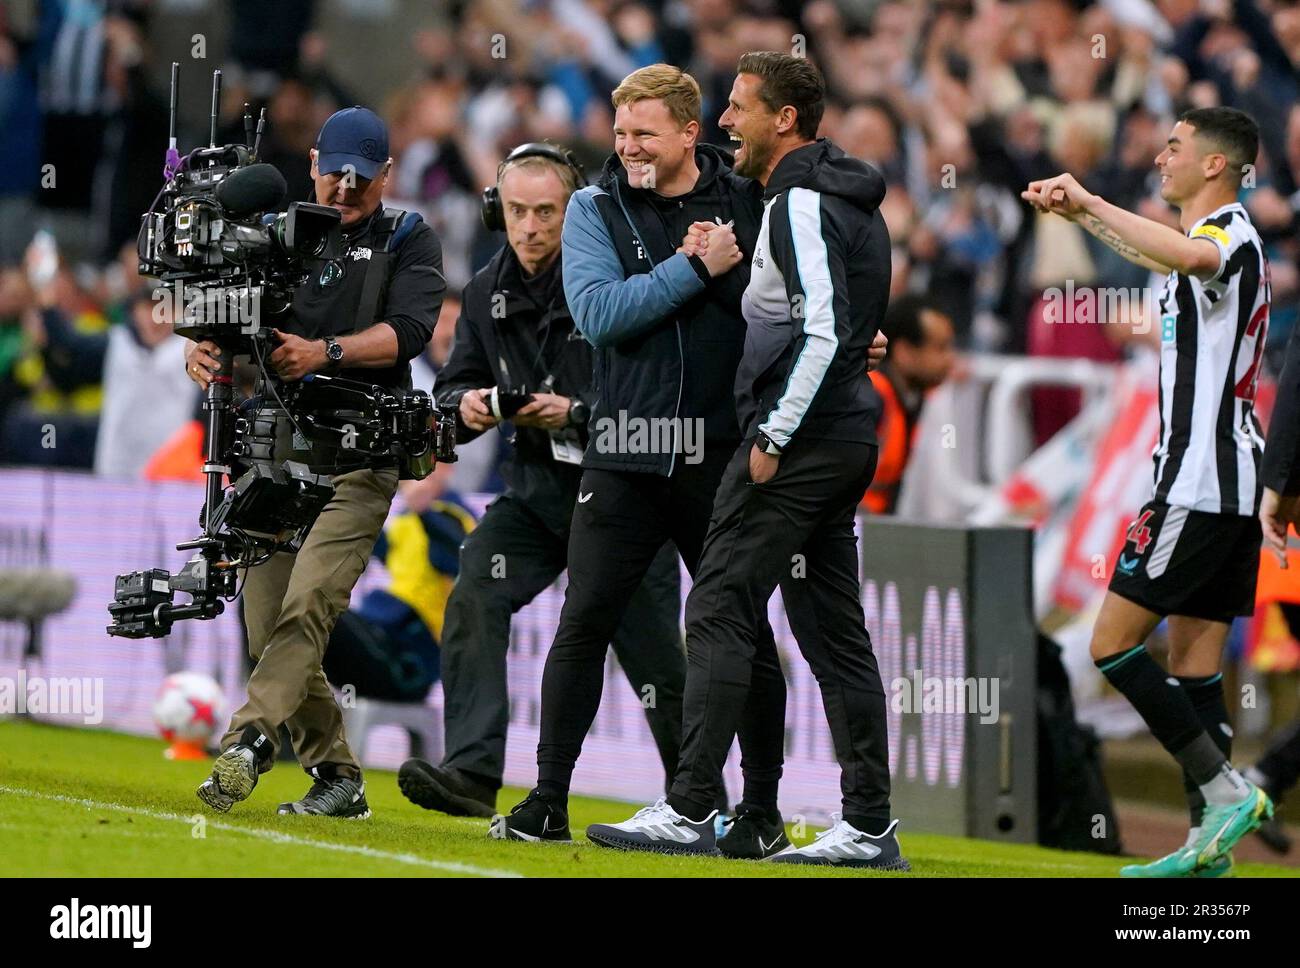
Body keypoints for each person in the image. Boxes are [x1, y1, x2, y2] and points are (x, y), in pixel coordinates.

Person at [585, 52, 908, 869]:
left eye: (739, 108)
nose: (728, 123)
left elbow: (827, 330)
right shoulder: (847, 195)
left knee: (720, 604)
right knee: (834, 633)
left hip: (798, 441)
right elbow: (845, 316)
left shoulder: (798, 197)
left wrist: (770, 436)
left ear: (784, 119)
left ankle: (693, 807)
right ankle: (868, 824)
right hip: (843, 436)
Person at [489, 63, 792, 847]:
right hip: (623, 447)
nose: (628, 148)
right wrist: (694, 266)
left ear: (692, 133)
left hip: (718, 450)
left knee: (742, 632)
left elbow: (781, 310)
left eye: (644, 134)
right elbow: (598, 316)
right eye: (620, 133)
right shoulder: (593, 207)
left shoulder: (749, 201)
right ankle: (547, 799)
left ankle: (758, 814)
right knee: (584, 622)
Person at [396, 143, 689, 818]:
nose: (530, 227)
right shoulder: (484, 290)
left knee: (654, 662)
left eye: (547, 212)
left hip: (624, 495)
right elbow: (454, 389)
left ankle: (698, 798)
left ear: (576, 210)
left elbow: (660, 396)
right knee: (474, 587)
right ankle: (470, 772)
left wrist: (579, 415)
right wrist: (464, 408)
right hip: (537, 494)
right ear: (498, 212)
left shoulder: (614, 281)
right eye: (518, 211)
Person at [1022, 106, 1273, 877]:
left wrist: (1090, 199)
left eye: (1174, 147)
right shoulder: (1204, 243)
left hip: (1197, 483)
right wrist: (1085, 214)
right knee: (1196, 666)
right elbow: (1167, 256)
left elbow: (1191, 260)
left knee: (1110, 645)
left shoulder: (1228, 235)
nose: (1160, 158)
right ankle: (1209, 848)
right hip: (1226, 485)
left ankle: (1223, 792)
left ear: (1214, 166)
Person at [185, 106, 447, 818]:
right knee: (267, 621)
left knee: (310, 603)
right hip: (275, 457)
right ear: (312, 165)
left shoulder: (410, 239)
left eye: (362, 179)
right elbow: (227, 320)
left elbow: (412, 332)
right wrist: (202, 350)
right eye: (334, 175)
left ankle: (247, 742)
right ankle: (339, 777)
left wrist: (323, 353)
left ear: (387, 175)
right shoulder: (275, 236)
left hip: (362, 457)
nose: (345, 190)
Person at [861, 294, 956, 515]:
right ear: (904, 352)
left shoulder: (913, 399)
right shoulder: (870, 399)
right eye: (940, 348)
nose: (950, 359)